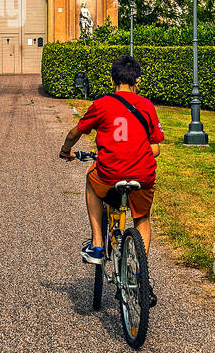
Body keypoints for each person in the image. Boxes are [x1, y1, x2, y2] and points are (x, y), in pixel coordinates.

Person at [59, 55, 163, 303]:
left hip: (110, 172)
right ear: (137, 80)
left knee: (91, 181)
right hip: (142, 174)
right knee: (142, 217)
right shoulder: (147, 106)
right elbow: (156, 147)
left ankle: (97, 243)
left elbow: (76, 132)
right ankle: (140, 273)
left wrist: (66, 150)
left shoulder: (102, 104)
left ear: (112, 80)